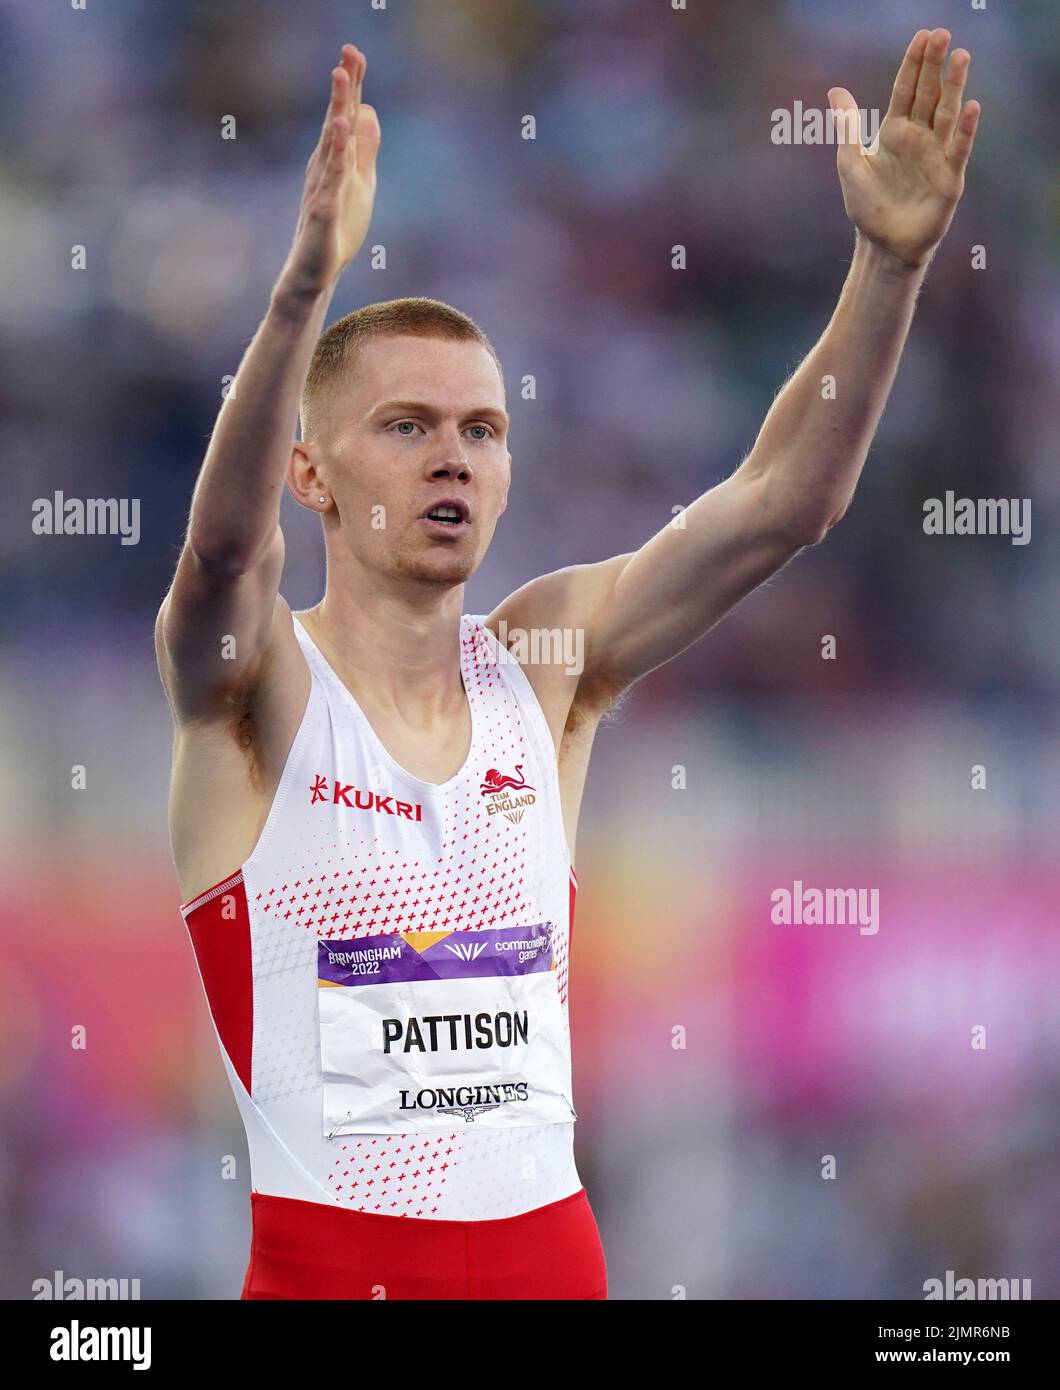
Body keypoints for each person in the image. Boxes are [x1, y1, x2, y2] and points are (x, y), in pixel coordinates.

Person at [156, 31, 979, 1300]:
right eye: (408, 426)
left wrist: (887, 264)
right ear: (310, 473)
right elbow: (219, 549)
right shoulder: (256, 691)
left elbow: (781, 503)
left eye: (482, 429)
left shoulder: (546, 669)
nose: (454, 459)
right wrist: (299, 291)